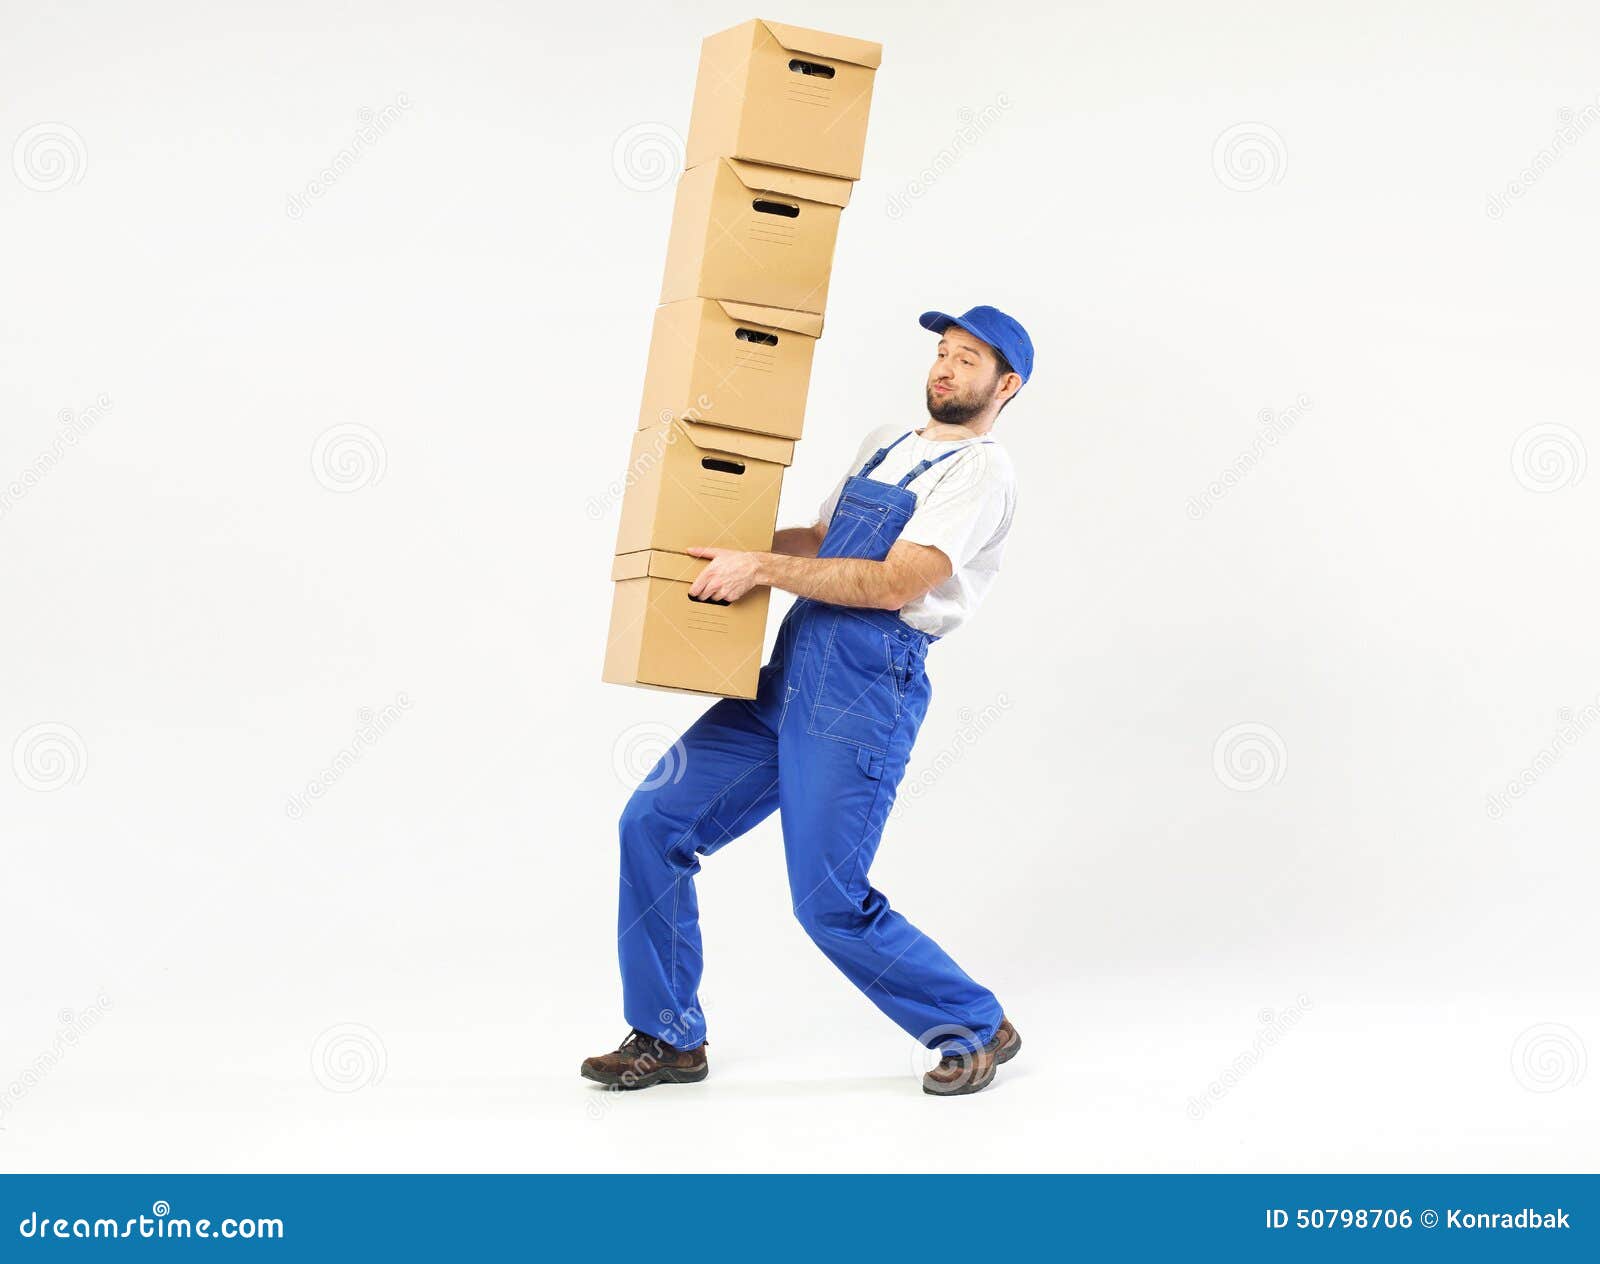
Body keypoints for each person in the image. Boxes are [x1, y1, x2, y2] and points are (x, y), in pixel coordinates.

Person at [584, 305, 1033, 1096]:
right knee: (653, 822)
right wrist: (714, 544)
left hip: (864, 684)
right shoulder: (888, 445)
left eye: (968, 360)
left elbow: (896, 580)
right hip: (793, 667)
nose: (945, 369)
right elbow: (820, 545)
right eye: (942, 352)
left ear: (1007, 385)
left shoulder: (983, 472)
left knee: (827, 898)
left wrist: (761, 570)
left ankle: (972, 1021)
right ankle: (668, 1034)